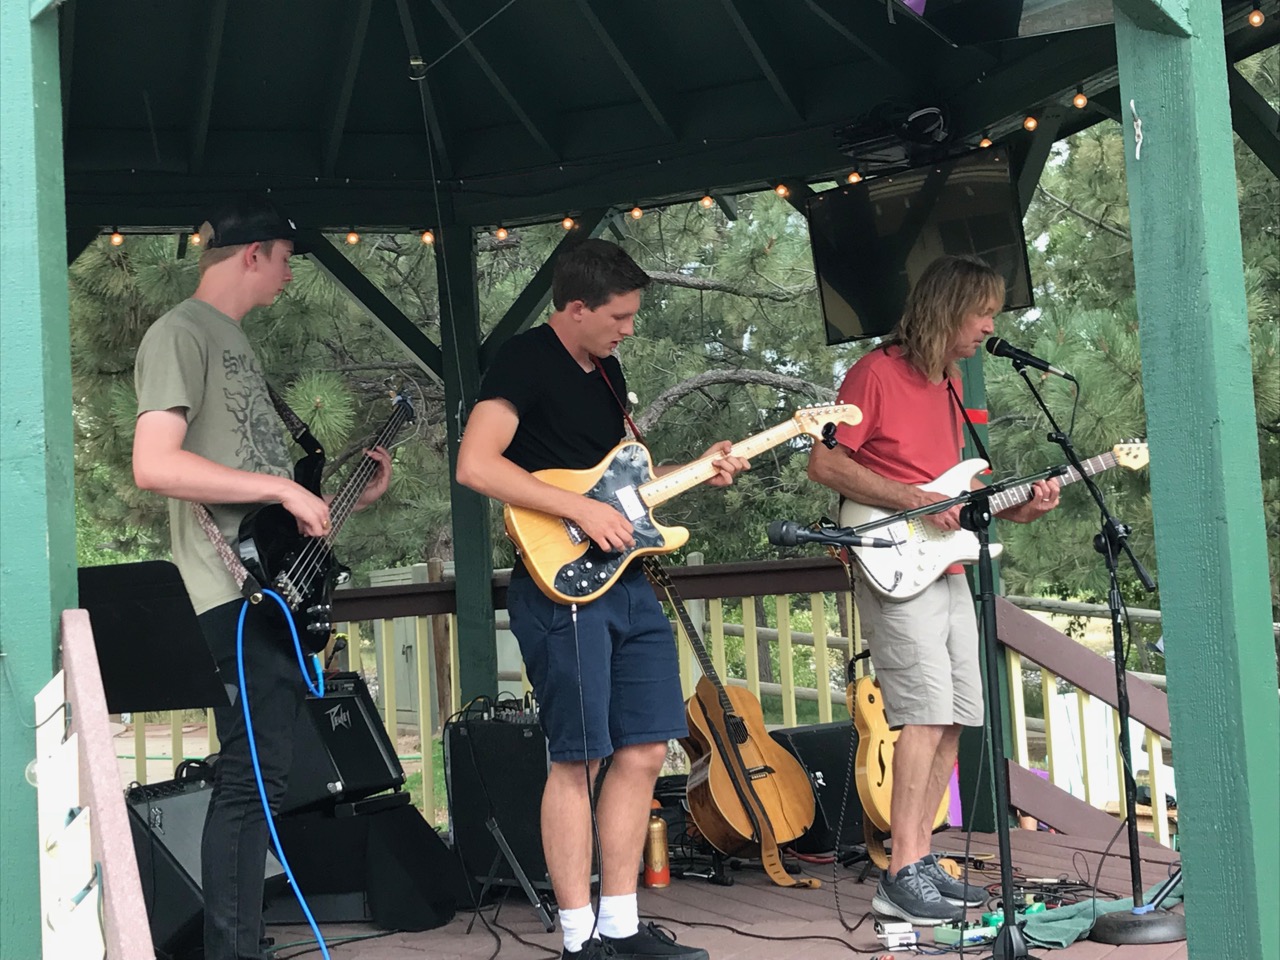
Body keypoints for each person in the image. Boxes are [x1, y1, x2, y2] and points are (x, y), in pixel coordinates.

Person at [456, 239, 747, 960]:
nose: (629, 328)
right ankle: (578, 937)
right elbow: (476, 463)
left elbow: (619, 485)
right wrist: (578, 513)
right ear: (576, 308)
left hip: (628, 582)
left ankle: (621, 924)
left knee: (647, 748)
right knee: (577, 758)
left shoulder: (609, 372)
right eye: (618, 315)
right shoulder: (524, 361)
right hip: (561, 585)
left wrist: (696, 469)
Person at [132, 196, 392, 960]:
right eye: (285, 257)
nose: (287, 274)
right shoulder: (180, 333)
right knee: (252, 784)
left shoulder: (234, 345)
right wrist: (282, 489)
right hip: (223, 598)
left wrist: (335, 499)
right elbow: (154, 464)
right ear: (253, 254)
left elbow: (268, 521)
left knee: (267, 781)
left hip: (263, 592)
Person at [807, 255, 1060, 926]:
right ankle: (897, 873)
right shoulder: (874, 374)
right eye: (983, 313)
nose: (988, 327)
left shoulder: (949, 383)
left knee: (951, 718)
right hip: (896, 564)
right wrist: (916, 502)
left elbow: (960, 490)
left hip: (947, 565)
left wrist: (1019, 507)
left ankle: (918, 861)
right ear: (949, 310)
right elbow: (824, 461)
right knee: (921, 714)